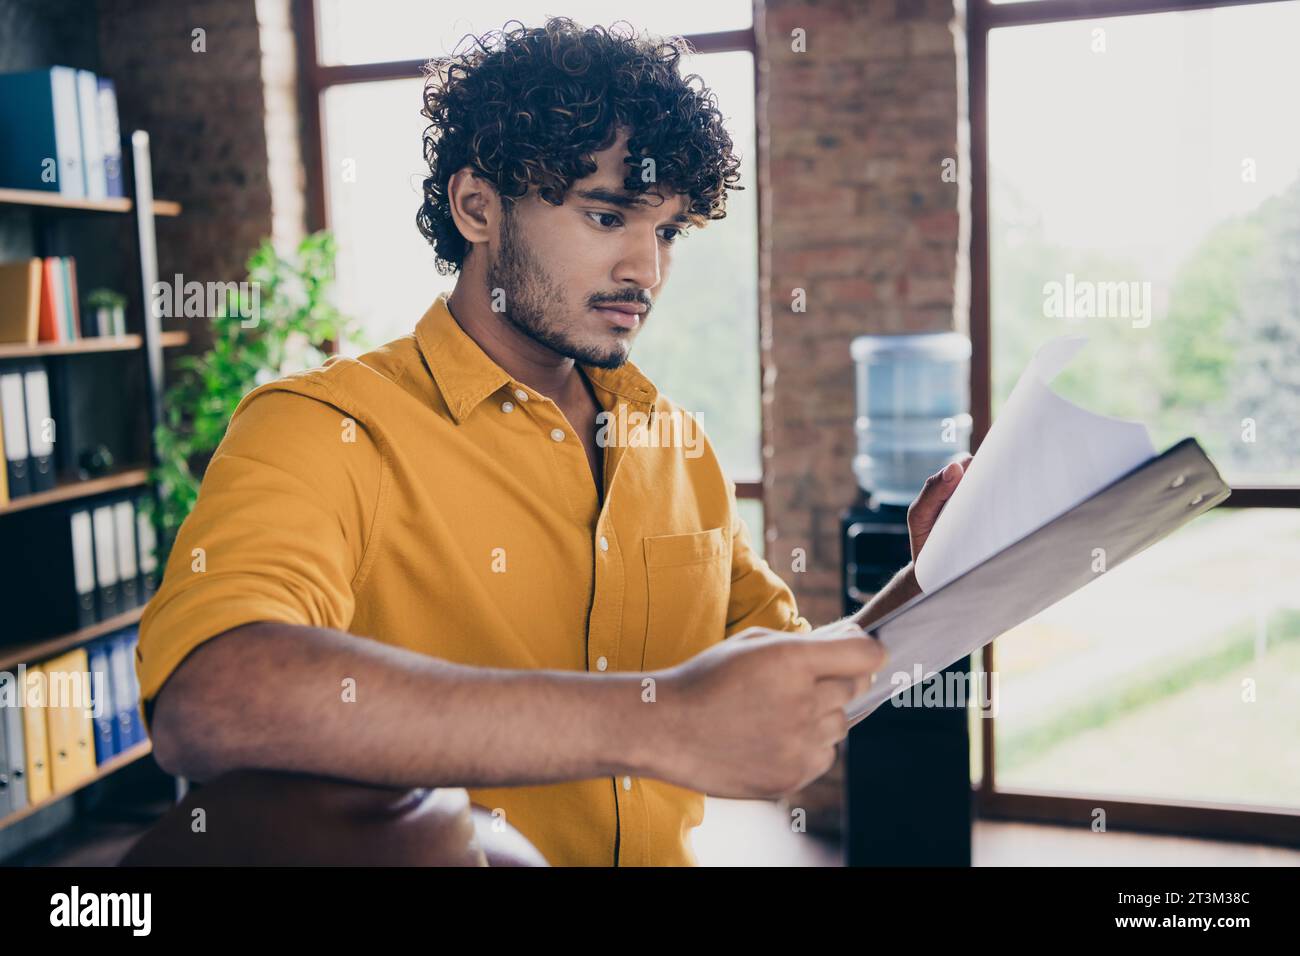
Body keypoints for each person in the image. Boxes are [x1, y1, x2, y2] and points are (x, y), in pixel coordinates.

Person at [136, 17, 970, 866]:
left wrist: (929, 585)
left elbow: (791, 682)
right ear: (477, 206)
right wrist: (661, 720)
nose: (647, 270)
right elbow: (210, 698)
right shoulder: (324, 428)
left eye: (669, 231)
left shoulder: (675, 441)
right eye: (608, 216)